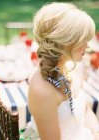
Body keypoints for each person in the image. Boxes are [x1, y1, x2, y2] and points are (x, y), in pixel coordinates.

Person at [27, 2, 99, 140]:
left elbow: (85, 110)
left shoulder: (73, 67)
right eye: (82, 40)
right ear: (65, 42)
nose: (87, 45)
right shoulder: (42, 90)